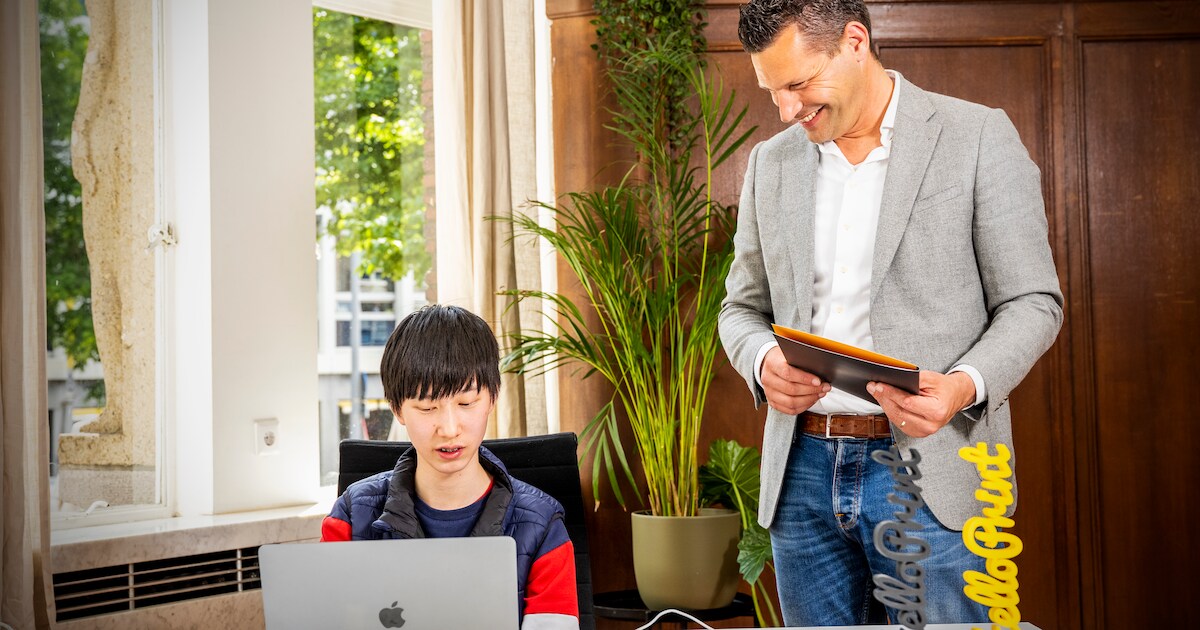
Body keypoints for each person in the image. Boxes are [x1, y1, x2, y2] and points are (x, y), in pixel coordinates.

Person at [718, 0, 1063, 625]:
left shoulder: (978, 136)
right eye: (773, 93)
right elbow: (740, 308)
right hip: (801, 477)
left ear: (855, 42)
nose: (788, 110)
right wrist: (764, 358)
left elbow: (1033, 302)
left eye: (798, 85)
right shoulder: (771, 164)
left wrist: (962, 387)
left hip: (936, 478)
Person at [321, 304, 579, 630]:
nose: (449, 428)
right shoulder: (350, 517)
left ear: (492, 399)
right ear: (398, 410)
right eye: (428, 407)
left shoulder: (542, 529)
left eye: (466, 403)